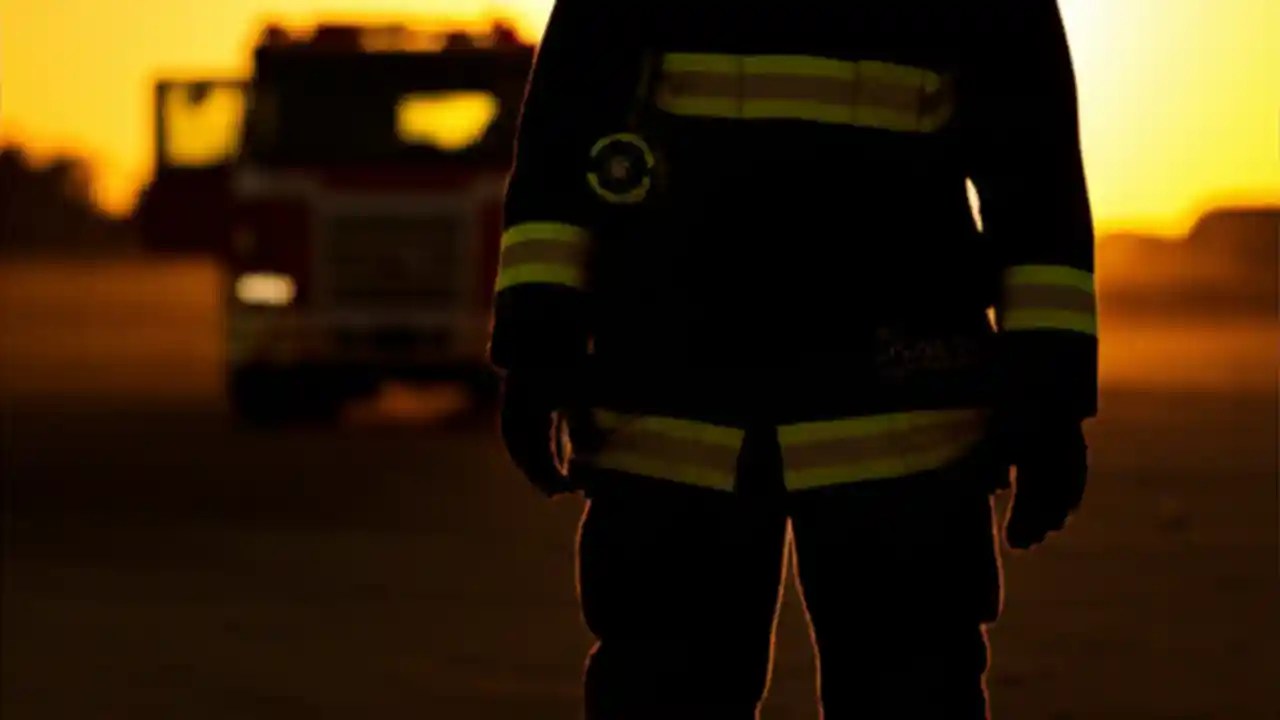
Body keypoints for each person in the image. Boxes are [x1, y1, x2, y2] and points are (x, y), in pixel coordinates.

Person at [489, 0, 1097, 717]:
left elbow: (1035, 186)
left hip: (706, 411)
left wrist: (1051, 398)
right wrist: (535, 348)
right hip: (867, 425)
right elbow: (1038, 189)